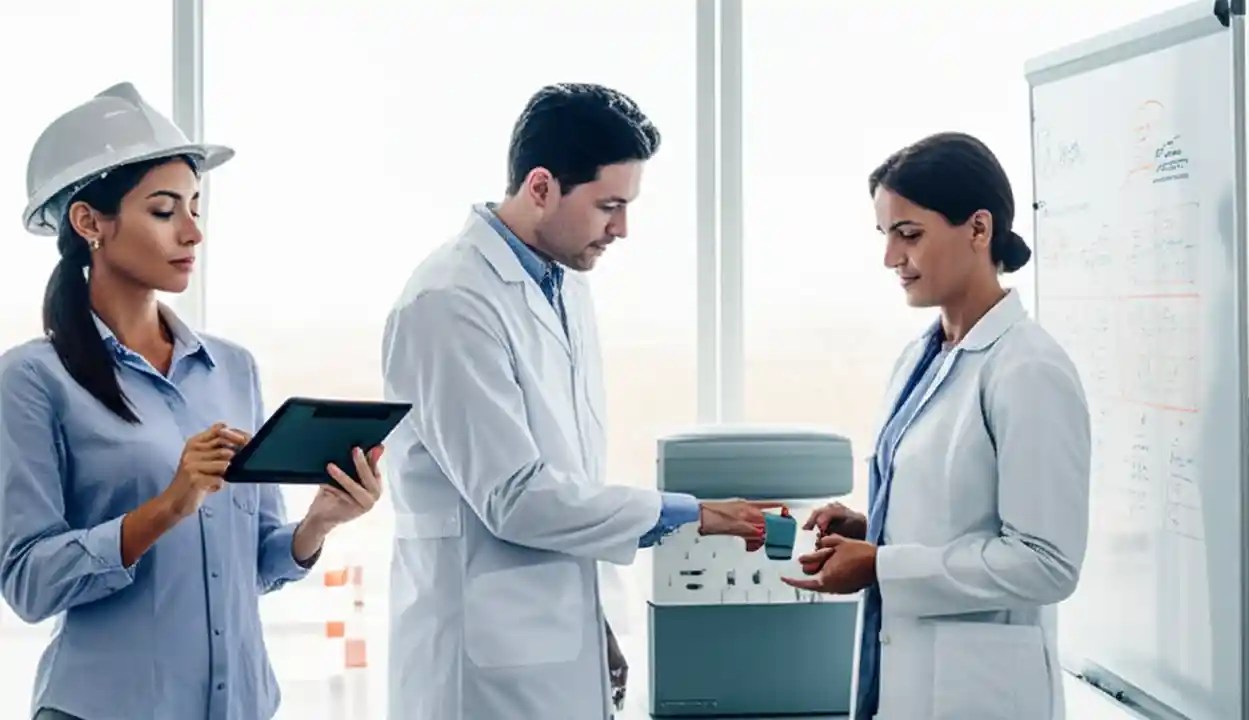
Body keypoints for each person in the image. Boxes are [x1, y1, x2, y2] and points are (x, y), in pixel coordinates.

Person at [381, 83, 779, 720]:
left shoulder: (562, 285)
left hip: (556, 644)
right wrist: (692, 514)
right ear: (541, 188)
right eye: (608, 206)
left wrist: (592, 625)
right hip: (478, 675)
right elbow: (517, 497)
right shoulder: (449, 302)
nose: (621, 228)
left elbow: (571, 484)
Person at [0, 83, 383, 720]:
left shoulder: (232, 368)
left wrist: (320, 523)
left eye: (196, 207)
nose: (193, 231)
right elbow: (29, 582)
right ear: (90, 222)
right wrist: (169, 506)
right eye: (163, 210)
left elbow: (255, 562)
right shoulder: (33, 379)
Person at [782, 132, 1090, 720]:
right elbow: (961, 512)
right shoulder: (922, 357)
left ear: (978, 229)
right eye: (886, 236)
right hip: (904, 679)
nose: (891, 258)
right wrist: (875, 529)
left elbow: (1046, 562)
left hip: (978, 693)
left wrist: (880, 564)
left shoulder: (1029, 369)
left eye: (910, 235)